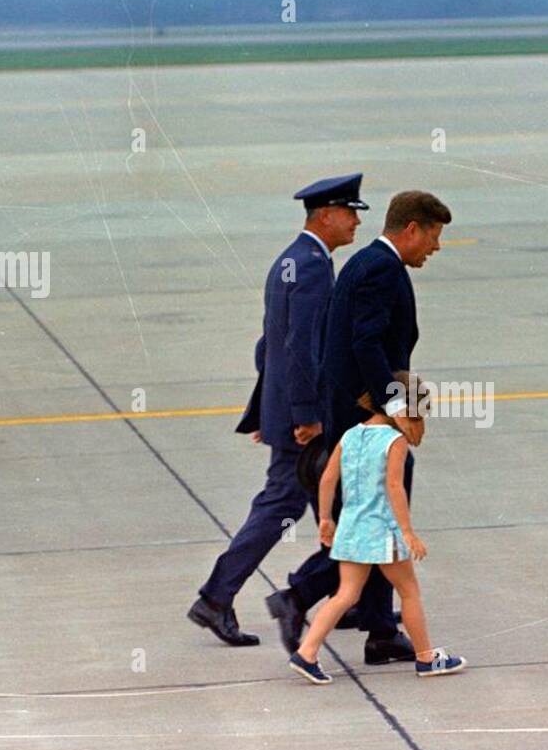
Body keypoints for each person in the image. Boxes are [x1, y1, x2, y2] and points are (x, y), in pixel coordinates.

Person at [267, 191, 452, 666]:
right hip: (366, 414)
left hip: (356, 409)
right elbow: (367, 344)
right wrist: (396, 409)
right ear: (411, 229)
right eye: (433, 236)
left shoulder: (368, 264)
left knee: (374, 518)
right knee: (379, 515)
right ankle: (300, 594)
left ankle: (380, 629)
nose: (436, 247)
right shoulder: (380, 270)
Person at [187, 174, 366, 646]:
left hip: (286, 411)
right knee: (303, 506)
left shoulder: (294, 260)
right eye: (350, 212)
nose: (355, 222)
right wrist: (305, 414)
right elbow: (302, 347)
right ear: (324, 215)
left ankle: (349, 599)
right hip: (304, 419)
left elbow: (269, 344)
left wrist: (268, 412)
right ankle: (222, 597)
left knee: (316, 506)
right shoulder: (311, 267)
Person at [288, 373, 465, 684]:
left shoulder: (351, 435)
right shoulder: (394, 441)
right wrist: (407, 532)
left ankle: (307, 652)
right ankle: (426, 659)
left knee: (345, 594)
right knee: (409, 592)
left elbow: (328, 477)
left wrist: (326, 518)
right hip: (382, 530)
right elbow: (395, 486)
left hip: (351, 525)